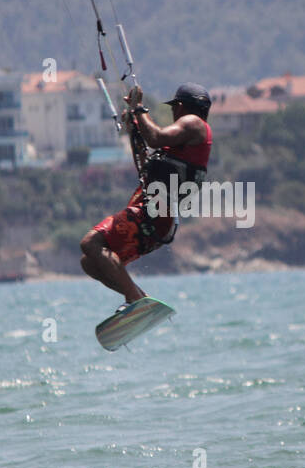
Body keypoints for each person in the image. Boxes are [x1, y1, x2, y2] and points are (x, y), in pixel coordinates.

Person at [80, 82, 212, 309]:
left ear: (180, 107)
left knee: (91, 243)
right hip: (154, 218)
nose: (173, 113)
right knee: (91, 263)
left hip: (154, 215)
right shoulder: (181, 146)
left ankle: (135, 298)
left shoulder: (193, 123)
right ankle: (142, 301)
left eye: (173, 108)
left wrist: (139, 108)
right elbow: (145, 164)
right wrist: (134, 128)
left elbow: (156, 137)